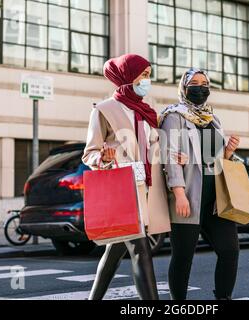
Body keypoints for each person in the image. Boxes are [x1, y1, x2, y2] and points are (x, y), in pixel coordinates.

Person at [82, 54, 171, 300]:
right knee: (141, 249)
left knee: (114, 252)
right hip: (122, 190)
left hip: (146, 191)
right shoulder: (104, 110)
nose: (147, 80)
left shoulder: (146, 111)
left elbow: (153, 148)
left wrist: (173, 156)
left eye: (149, 75)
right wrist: (105, 158)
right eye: (143, 74)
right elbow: (89, 153)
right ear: (127, 76)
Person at [159, 68, 241, 300]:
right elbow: (170, 156)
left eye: (204, 83)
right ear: (184, 88)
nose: (200, 87)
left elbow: (215, 159)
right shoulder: (173, 116)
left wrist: (228, 151)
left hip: (216, 197)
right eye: (194, 82)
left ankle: (223, 297)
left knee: (230, 250)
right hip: (189, 194)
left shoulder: (213, 119)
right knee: (183, 256)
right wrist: (179, 193)